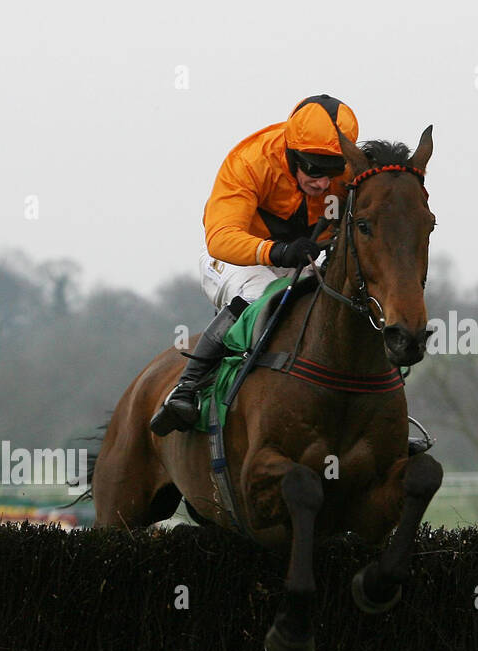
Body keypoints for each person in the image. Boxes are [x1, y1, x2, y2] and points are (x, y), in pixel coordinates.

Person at [150, 94, 358, 435]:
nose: (322, 182)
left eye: (332, 170)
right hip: (234, 259)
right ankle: (185, 388)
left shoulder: (346, 170)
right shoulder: (249, 162)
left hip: (298, 264)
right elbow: (221, 238)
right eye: (312, 168)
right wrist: (277, 252)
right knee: (263, 292)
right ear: (291, 151)